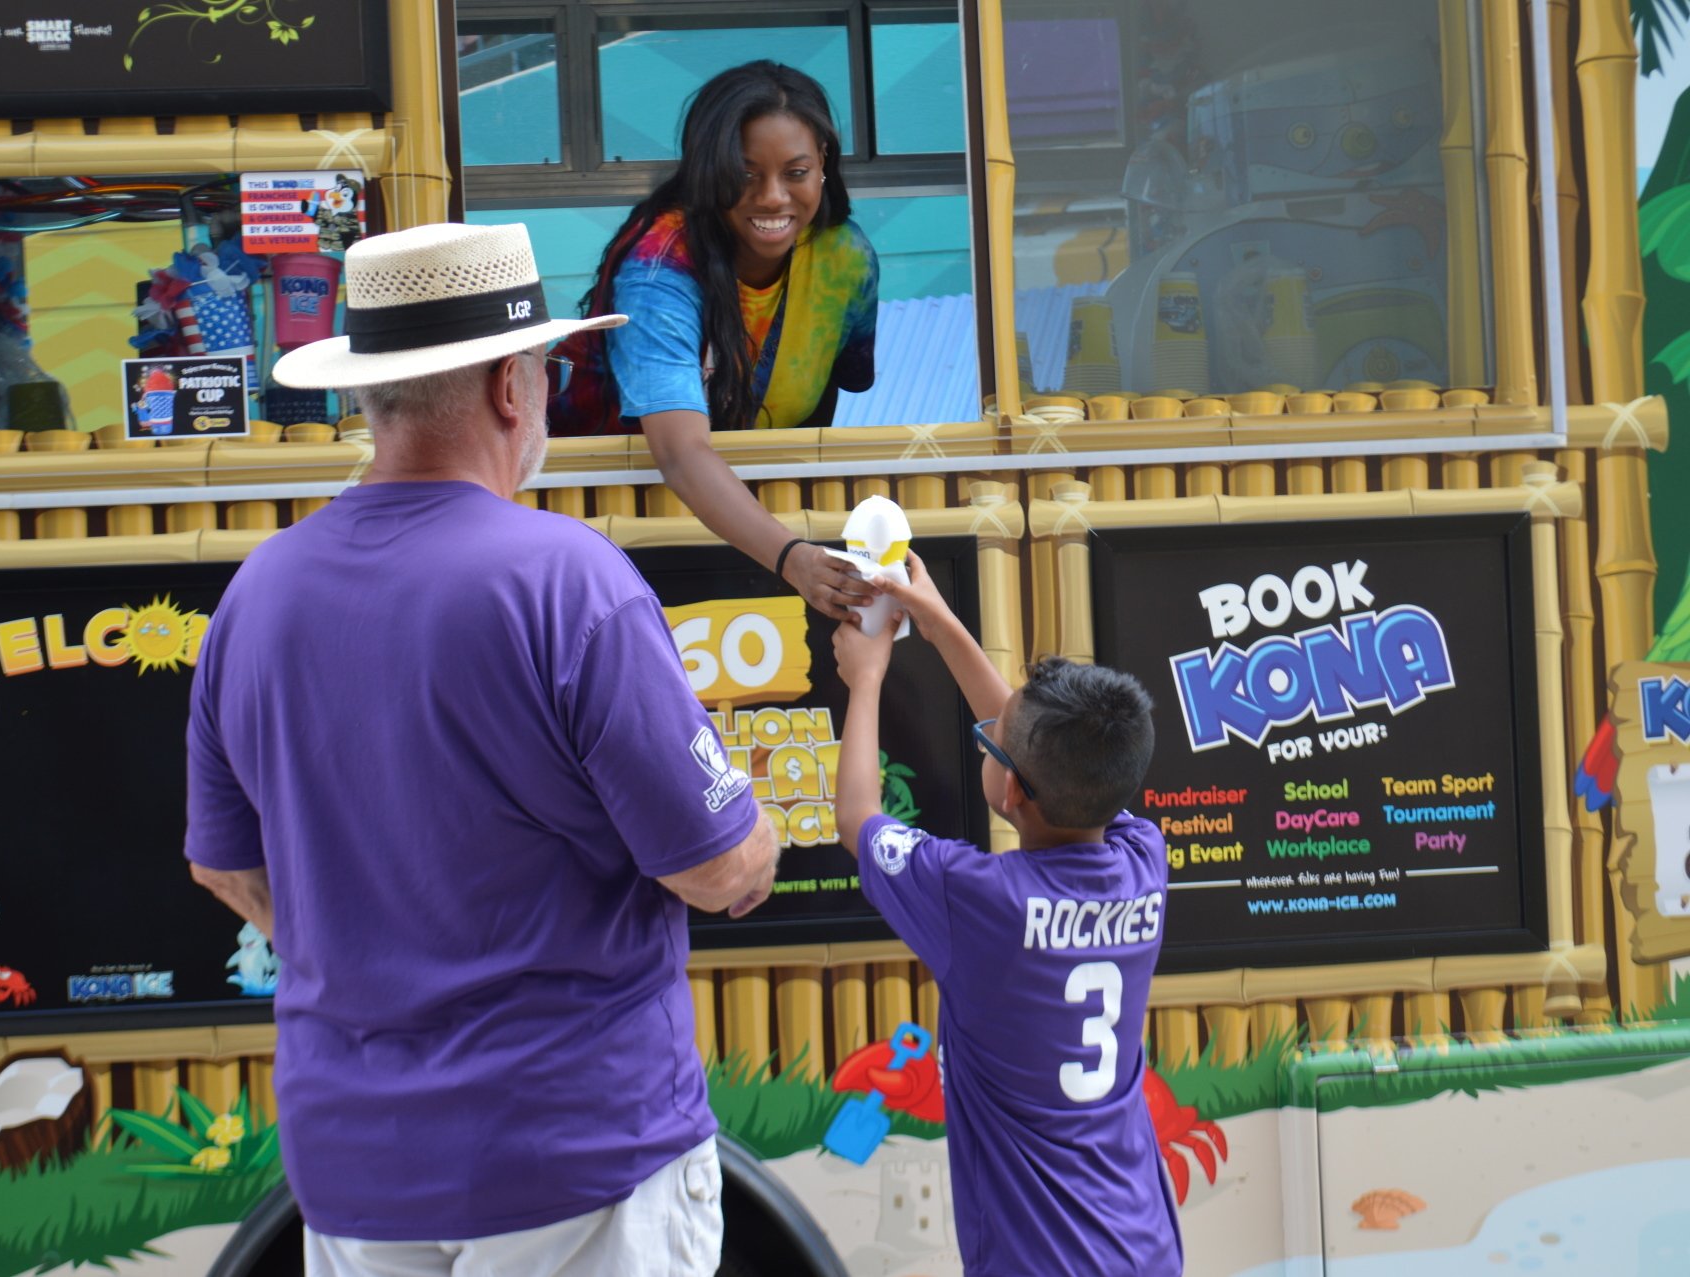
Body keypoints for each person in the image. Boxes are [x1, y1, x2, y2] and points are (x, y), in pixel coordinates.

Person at [184, 222, 780, 1276]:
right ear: (514, 386)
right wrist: (756, 829)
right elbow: (716, 864)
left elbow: (225, 865)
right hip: (576, 1149)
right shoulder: (567, 582)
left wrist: (373, 944)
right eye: (547, 373)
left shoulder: (257, 595)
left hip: (356, 1165)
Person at [829, 554, 1183, 1277]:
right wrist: (940, 622)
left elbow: (858, 817)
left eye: (991, 740)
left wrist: (865, 679)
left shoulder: (980, 900)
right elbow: (1049, 761)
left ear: (1012, 791)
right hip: (1144, 1247)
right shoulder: (1143, 859)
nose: (989, 729)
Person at [548, 60, 880, 627]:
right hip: (601, 536)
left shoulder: (846, 258)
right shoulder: (659, 267)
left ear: (824, 162)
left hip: (755, 534)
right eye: (745, 174)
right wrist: (792, 557)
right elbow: (678, 452)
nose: (773, 197)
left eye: (795, 172)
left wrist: (797, 546)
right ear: (709, 170)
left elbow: (820, 418)